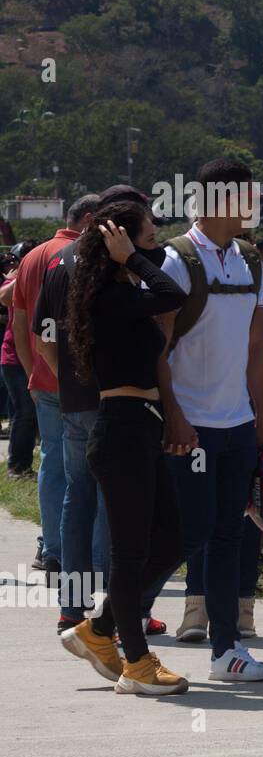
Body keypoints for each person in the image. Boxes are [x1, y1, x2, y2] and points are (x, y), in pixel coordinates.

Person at [153, 157, 263, 682]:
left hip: (237, 427)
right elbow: (156, 350)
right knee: (188, 534)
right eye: (250, 195)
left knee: (228, 535)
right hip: (191, 426)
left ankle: (227, 651)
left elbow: (256, 349)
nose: (256, 205)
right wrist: (175, 417)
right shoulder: (176, 261)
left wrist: (262, 423)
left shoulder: (249, 262)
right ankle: (112, 620)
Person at [59, 201, 190, 695]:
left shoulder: (123, 289)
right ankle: (135, 664)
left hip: (141, 428)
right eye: (149, 234)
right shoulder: (109, 297)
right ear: (121, 241)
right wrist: (131, 256)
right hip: (120, 431)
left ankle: (97, 630)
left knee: (174, 537)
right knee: (130, 552)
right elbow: (172, 293)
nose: (156, 239)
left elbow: (167, 287)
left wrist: (132, 257)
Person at [34, 188, 141, 635]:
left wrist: (70, 378)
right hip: (114, 401)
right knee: (120, 505)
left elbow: (43, 335)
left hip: (74, 399)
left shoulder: (59, 263)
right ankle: (120, 610)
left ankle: (72, 607)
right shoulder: (112, 268)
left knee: (76, 496)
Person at [12, 197, 101, 572]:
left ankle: (52, 548)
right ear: (89, 220)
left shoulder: (33, 257)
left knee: (51, 462)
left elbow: (19, 322)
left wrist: (33, 370)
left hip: (43, 377)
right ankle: (91, 558)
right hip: (79, 382)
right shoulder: (80, 258)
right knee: (86, 475)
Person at [0, 253, 36, 485]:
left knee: (25, 414)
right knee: (25, 413)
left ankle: (21, 464)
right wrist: (23, 274)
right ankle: (16, 466)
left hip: (29, 357)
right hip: (14, 360)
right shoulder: (13, 282)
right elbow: (4, 295)